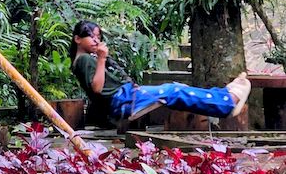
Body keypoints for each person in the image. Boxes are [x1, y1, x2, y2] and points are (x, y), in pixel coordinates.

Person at [70, 20, 250, 126]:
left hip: (125, 97)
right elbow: (97, 88)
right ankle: (226, 103)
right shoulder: (85, 60)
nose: (96, 40)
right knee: (174, 90)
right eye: (91, 36)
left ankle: (223, 96)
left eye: (98, 37)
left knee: (177, 88)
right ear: (77, 39)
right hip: (123, 100)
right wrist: (101, 59)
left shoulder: (84, 59)